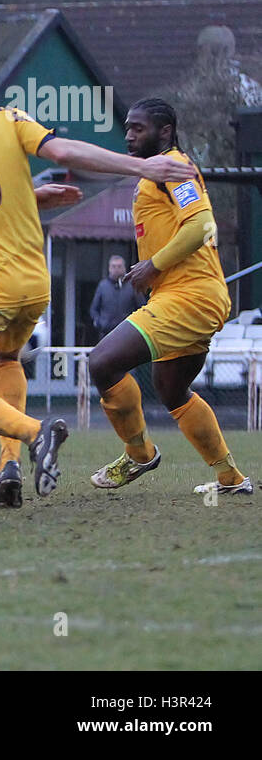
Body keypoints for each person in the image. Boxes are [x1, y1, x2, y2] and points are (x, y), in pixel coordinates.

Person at [0, 53, 197, 508]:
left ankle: (34, 433)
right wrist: (140, 167)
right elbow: (63, 152)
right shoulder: (6, 117)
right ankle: (9, 467)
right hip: (31, 283)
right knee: (6, 359)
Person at [87, 98, 252, 496]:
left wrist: (153, 266)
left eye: (138, 128)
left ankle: (139, 453)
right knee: (172, 390)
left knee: (102, 363)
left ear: (164, 131)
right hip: (196, 296)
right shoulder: (155, 175)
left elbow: (201, 225)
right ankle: (231, 479)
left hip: (189, 296)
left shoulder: (173, 167)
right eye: (127, 127)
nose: (129, 135)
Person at [89, 254, 144, 342]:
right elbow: (93, 309)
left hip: (127, 333)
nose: (116, 269)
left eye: (119, 266)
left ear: (124, 268)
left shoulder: (133, 286)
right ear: (109, 268)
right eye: (113, 266)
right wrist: (99, 323)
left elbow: (142, 308)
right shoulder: (103, 286)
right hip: (106, 334)